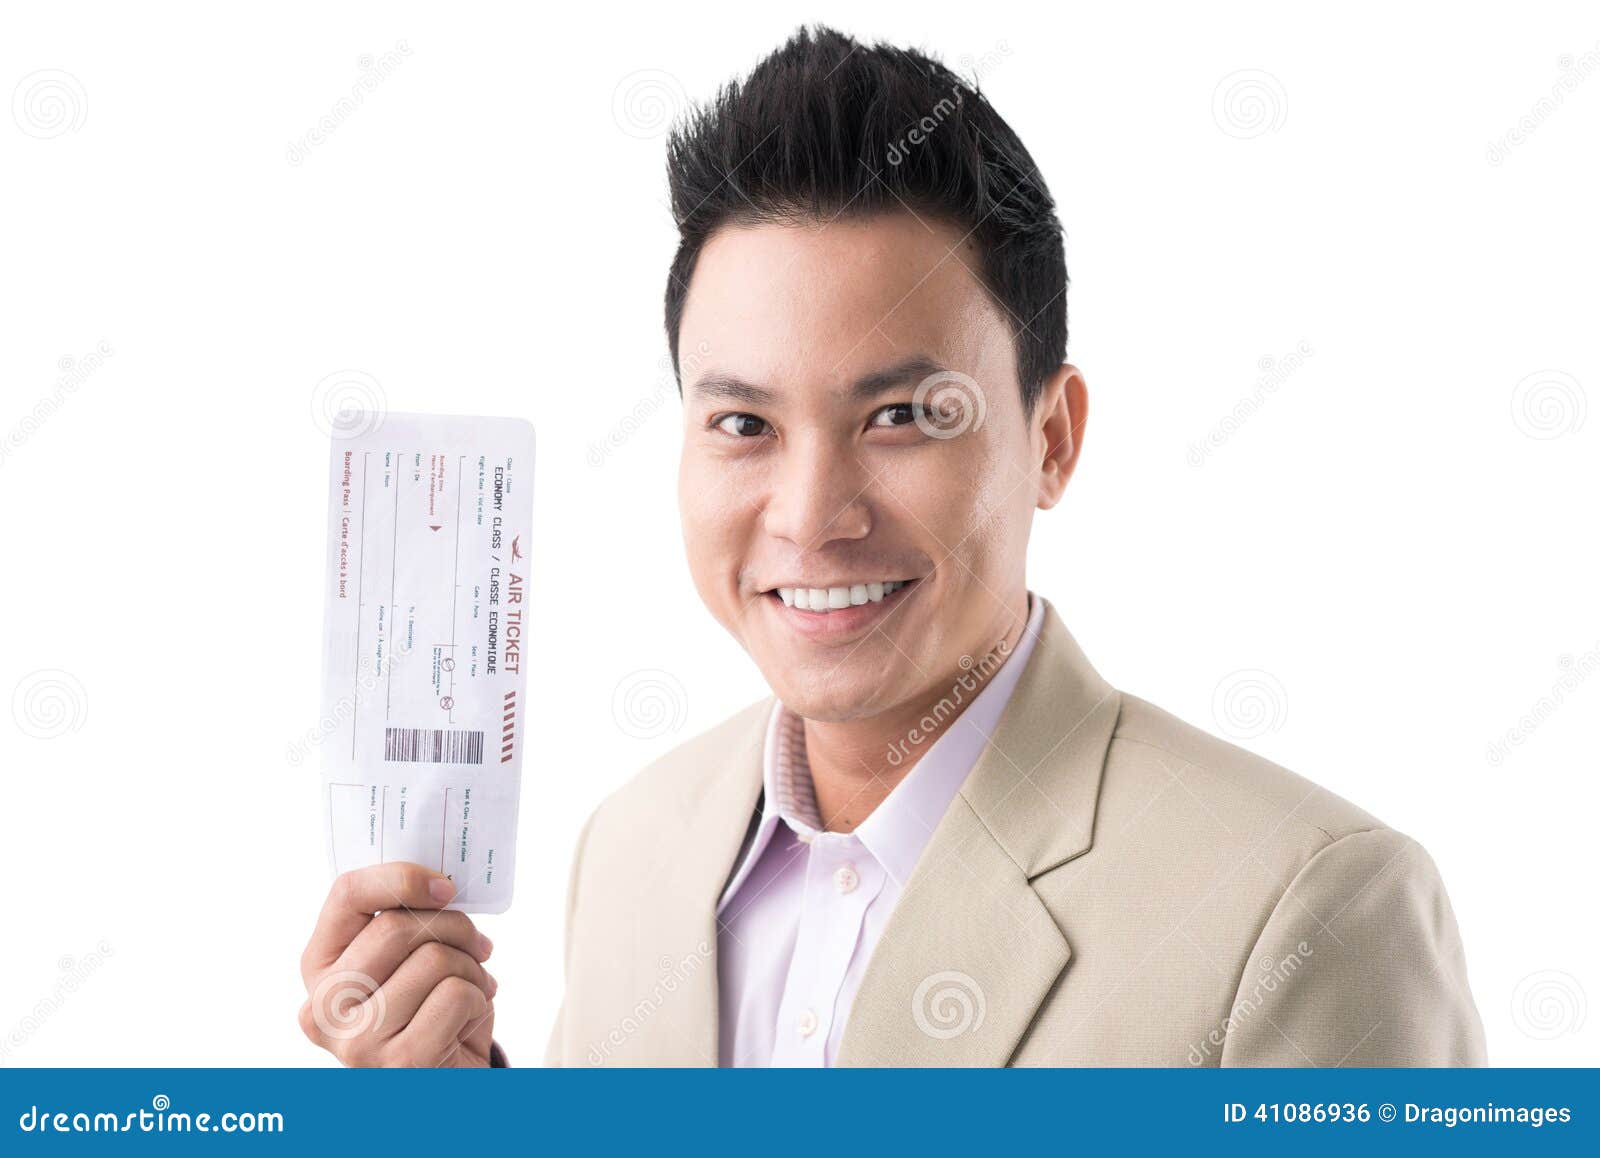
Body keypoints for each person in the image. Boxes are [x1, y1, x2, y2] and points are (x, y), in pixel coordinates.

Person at [299, 25, 1485, 1068]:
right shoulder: (632, 849)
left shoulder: (1306, 908)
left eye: (903, 417)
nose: (811, 514)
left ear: (1053, 438)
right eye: (743, 425)